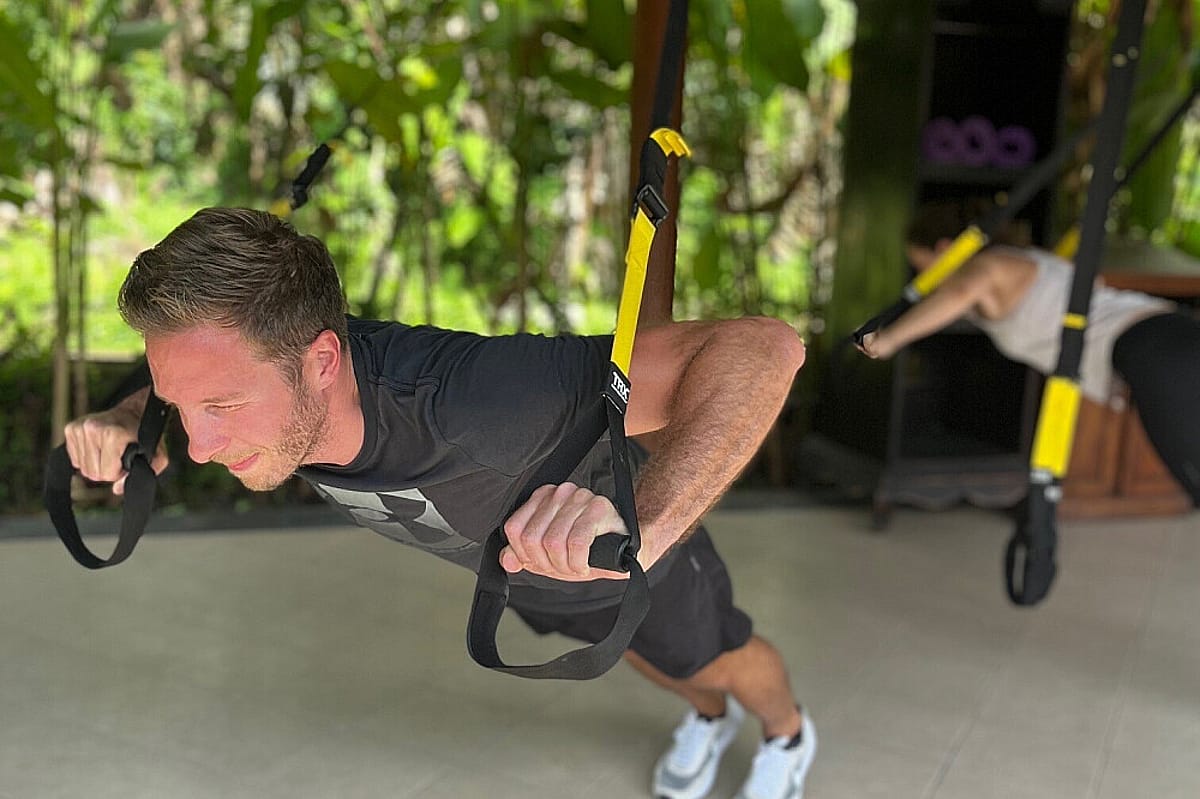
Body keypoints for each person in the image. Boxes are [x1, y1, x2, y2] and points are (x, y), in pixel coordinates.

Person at [63, 207, 817, 799]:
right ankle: (708, 719)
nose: (197, 445)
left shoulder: (482, 401)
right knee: (650, 658)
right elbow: (195, 380)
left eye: (222, 406)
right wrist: (133, 418)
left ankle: (785, 734)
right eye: (180, 406)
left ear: (322, 361)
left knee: (716, 654)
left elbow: (765, 347)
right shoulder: (282, 381)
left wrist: (646, 530)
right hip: (527, 569)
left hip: (630, 554)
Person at [857, 200, 1200, 506]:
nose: (925, 281)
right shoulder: (1026, 263)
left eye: (923, 268)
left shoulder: (992, 265)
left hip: (1153, 346)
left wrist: (890, 340)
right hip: (1159, 343)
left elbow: (958, 292)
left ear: (947, 249)